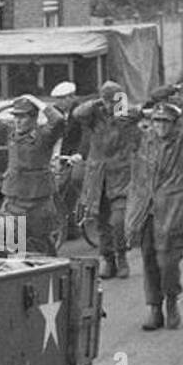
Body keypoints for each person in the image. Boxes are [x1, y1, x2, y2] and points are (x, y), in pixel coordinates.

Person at [125, 99, 183, 330]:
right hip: (146, 211)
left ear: (175, 124)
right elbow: (122, 119)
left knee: (168, 263)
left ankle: (171, 301)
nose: (160, 125)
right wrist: (139, 110)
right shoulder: (145, 140)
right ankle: (155, 307)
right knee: (149, 261)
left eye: (166, 121)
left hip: (173, 212)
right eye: (156, 120)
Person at [0, 96, 67, 255]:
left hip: (38, 201)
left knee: (41, 244)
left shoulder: (44, 136)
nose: (17, 121)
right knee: (11, 243)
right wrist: (10, 102)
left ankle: (55, 272)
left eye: (22, 117)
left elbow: (58, 120)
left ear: (34, 118)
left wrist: (35, 100)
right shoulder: (9, 133)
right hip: (13, 200)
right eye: (15, 116)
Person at [72, 81, 139, 278]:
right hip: (99, 176)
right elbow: (77, 114)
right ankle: (107, 258)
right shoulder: (94, 115)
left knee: (118, 221)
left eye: (114, 100)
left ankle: (121, 256)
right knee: (102, 222)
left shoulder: (126, 115)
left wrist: (120, 107)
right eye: (107, 101)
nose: (110, 105)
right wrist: (97, 103)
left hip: (121, 174)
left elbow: (136, 114)